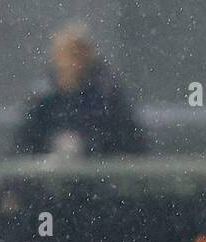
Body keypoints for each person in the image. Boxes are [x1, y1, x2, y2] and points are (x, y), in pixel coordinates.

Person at [16, 23, 146, 157]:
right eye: (67, 54)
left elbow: (129, 143)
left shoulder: (108, 96)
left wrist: (88, 148)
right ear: (56, 56)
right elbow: (23, 145)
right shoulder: (42, 99)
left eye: (79, 53)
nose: (73, 61)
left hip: (99, 173)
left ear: (89, 56)